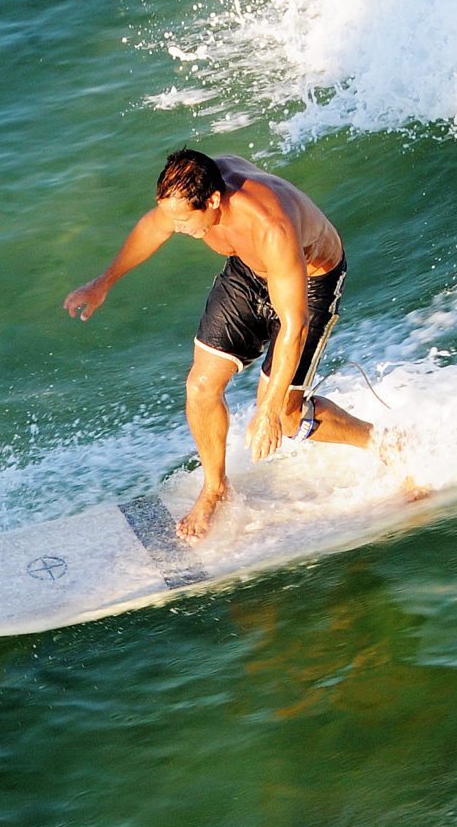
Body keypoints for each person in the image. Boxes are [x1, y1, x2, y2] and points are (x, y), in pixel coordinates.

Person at [64, 148, 397, 540]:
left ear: (213, 201)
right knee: (200, 388)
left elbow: (295, 324)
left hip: (308, 282)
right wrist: (104, 282)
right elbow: (154, 228)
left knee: (288, 418)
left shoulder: (271, 224)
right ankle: (216, 488)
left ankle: (384, 443)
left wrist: (270, 410)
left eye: (185, 220)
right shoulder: (189, 190)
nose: (178, 228)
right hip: (248, 272)